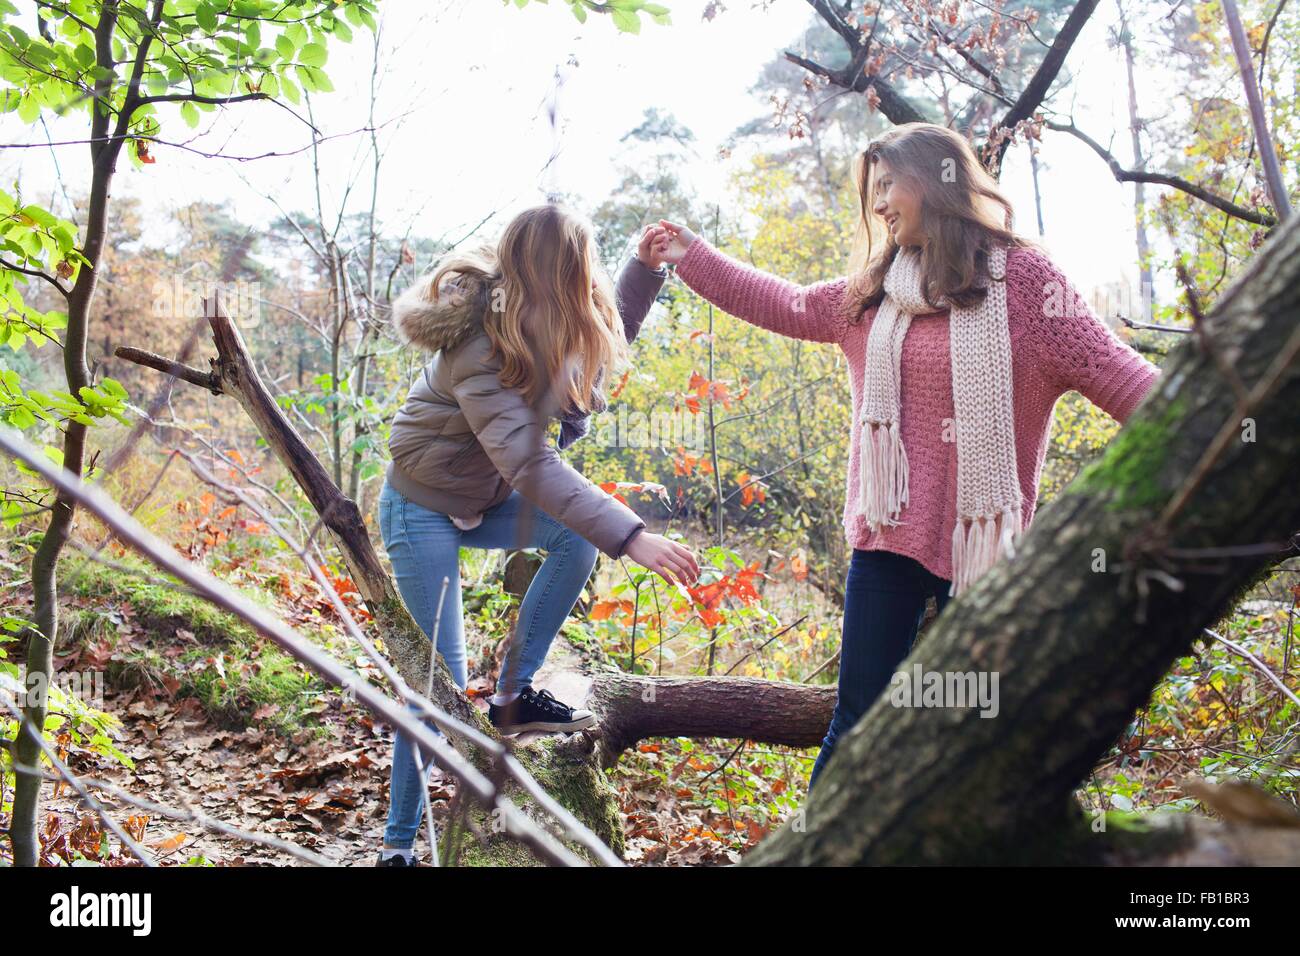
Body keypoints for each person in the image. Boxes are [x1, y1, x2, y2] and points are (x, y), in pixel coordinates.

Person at [648, 122, 1162, 790]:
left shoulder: (1028, 284)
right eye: (875, 191)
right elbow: (793, 304)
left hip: (988, 553)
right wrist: (693, 256)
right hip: (888, 540)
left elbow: (1124, 379)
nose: (880, 204)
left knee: (978, 735)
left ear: (936, 178)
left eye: (889, 185)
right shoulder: (880, 289)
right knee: (856, 724)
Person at [376, 204, 700, 864]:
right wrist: (633, 535)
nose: (591, 281)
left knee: (575, 538)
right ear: (555, 272)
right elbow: (527, 461)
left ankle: (513, 697)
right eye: (583, 268)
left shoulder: (555, 317)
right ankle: (397, 847)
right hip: (422, 507)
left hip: (485, 494)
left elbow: (609, 341)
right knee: (438, 687)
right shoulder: (477, 343)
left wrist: (643, 270)